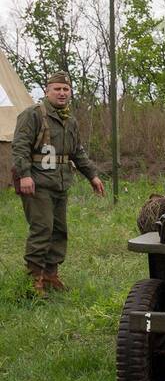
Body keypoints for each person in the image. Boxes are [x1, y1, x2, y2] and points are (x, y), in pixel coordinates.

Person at [10, 71, 105, 296]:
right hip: (37, 183)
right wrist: (24, 175)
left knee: (59, 231)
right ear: (47, 91)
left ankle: (50, 275)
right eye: (57, 89)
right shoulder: (32, 114)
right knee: (42, 229)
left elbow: (77, 152)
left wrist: (92, 175)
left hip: (60, 184)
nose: (62, 93)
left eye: (66, 89)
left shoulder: (69, 120)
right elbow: (20, 146)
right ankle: (33, 279)